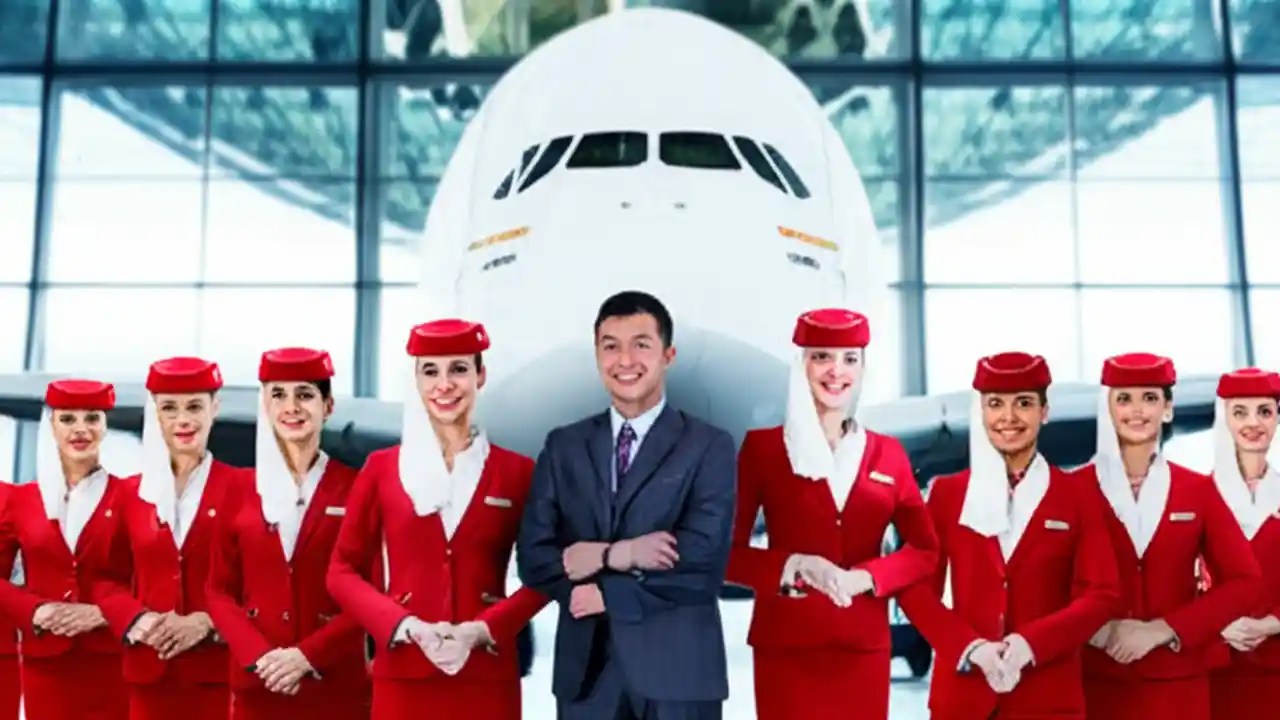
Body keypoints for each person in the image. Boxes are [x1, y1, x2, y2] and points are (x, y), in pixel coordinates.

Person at [517, 290, 736, 720]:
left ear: (668, 354)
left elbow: (701, 567)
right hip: (587, 679)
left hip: (680, 676)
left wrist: (604, 591)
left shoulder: (709, 446)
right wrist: (621, 554)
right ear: (597, 355)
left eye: (641, 344)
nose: (625, 360)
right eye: (610, 346)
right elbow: (534, 558)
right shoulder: (564, 446)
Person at [725, 308, 938, 720]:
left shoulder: (887, 454)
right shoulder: (763, 450)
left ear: (862, 368)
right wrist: (794, 565)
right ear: (801, 364)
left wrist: (866, 577)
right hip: (786, 648)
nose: (836, 371)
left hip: (863, 647)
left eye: (850, 359)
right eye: (822, 357)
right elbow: (724, 553)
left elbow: (924, 550)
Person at [327, 319, 546, 719]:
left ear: (480, 375)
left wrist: (481, 630)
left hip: (486, 673)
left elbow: (547, 574)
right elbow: (342, 571)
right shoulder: (381, 469)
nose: (444, 384)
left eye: (458, 369)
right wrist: (404, 625)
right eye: (430, 371)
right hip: (404, 671)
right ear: (416, 379)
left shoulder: (517, 473)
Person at [896, 352, 1119, 719]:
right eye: (995, 404)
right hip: (963, 698)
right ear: (981, 412)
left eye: (1024, 404)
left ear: (1044, 412)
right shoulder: (948, 495)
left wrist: (1031, 644)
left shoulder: (1081, 496)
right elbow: (915, 589)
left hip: (1048, 699)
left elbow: (1103, 594)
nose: (1009, 417)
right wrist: (970, 647)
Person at [1078, 353, 1261, 720]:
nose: (1137, 411)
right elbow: (1043, 581)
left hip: (1178, 686)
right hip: (1092, 681)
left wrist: (1165, 629)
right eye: (1124, 399)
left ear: (1168, 409)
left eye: (1150, 398)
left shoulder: (1198, 491)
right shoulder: (1072, 490)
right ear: (1109, 408)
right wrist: (1096, 630)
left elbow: (1245, 582)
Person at [206, 348, 370, 719]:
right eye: (278, 395)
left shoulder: (358, 487)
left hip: (335, 686)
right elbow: (218, 591)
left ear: (327, 406)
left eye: (305, 394)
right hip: (258, 684)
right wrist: (260, 658)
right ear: (264, 404)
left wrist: (306, 656)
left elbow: (371, 590)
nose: (291, 407)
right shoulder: (236, 488)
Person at [92, 357, 249, 720]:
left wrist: (208, 622)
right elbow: (104, 580)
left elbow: (262, 581)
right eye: (169, 408)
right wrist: (138, 620)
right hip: (148, 673)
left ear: (215, 408)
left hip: (221, 673)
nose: (183, 420)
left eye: (195, 406)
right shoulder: (128, 494)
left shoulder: (245, 489)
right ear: (155, 414)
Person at [0, 380, 129, 719]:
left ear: (104, 426)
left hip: (112, 658)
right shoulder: (21, 500)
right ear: (51, 426)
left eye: (92, 418)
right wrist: (33, 610)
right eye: (68, 419)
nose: (81, 429)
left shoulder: (132, 497)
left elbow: (153, 576)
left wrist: (103, 613)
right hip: (45, 662)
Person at [1205, 368, 1280, 718]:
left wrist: (1272, 624)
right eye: (1240, 412)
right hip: (1212, 669)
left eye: (1264, 411)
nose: (1253, 423)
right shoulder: (1194, 496)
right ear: (1225, 418)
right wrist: (1215, 622)